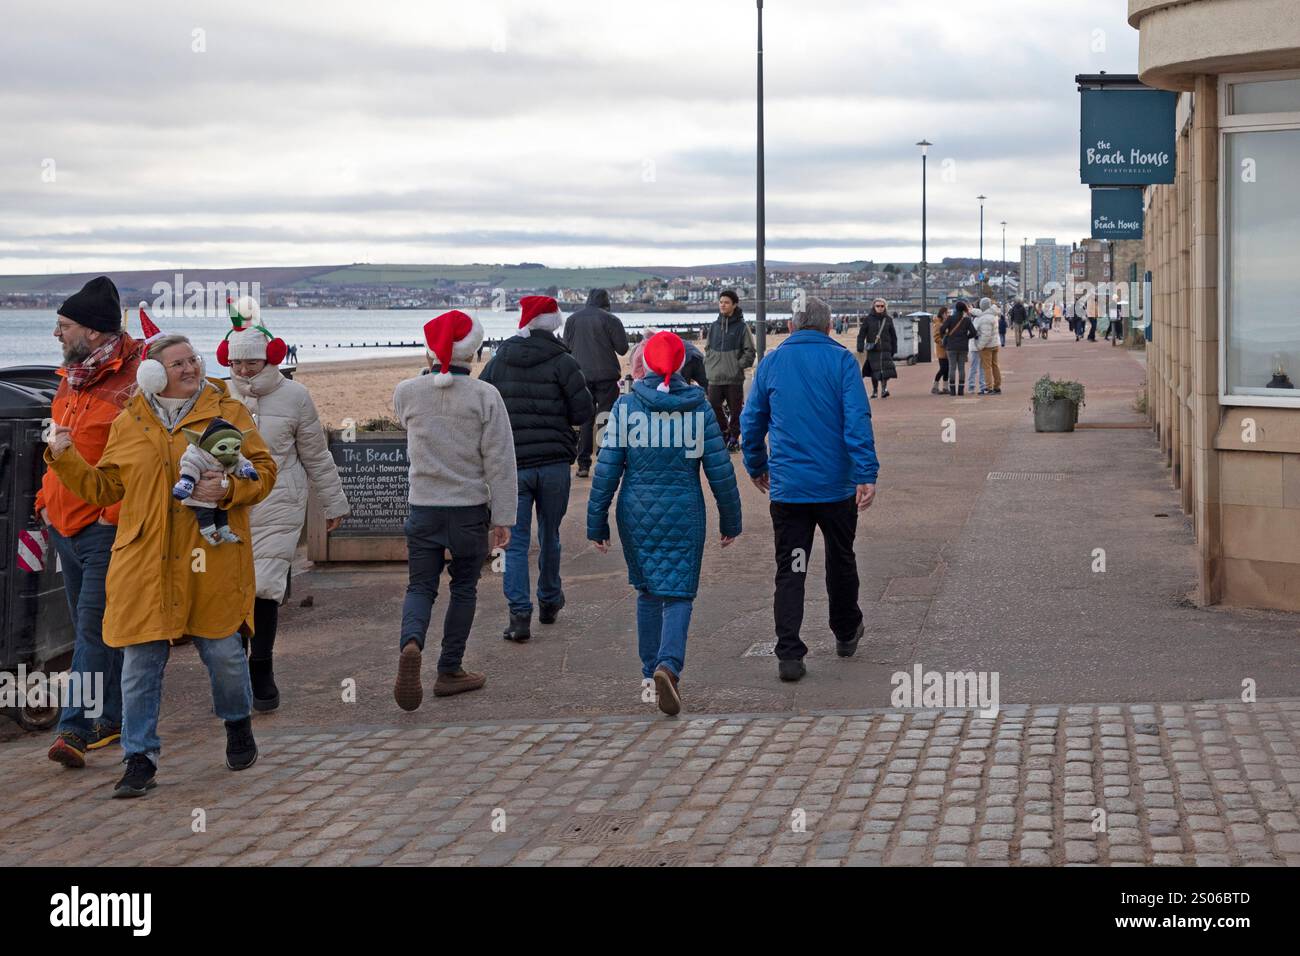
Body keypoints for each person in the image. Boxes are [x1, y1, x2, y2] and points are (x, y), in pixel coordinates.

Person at [45, 331, 277, 797]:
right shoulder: (130, 421)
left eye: (193, 359)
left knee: (226, 656)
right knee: (139, 663)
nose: (190, 368)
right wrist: (65, 458)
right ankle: (139, 759)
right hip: (145, 560)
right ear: (154, 373)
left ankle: (237, 723)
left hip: (210, 557)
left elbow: (264, 470)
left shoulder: (226, 411)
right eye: (178, 363)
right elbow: (106, 489)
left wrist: (229, 492)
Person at [587, 332, 741, 715]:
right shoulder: (699, 408)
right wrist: (731, 519)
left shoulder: (625, 408)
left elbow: (607, 470)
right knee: (679, 593)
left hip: (635, 511)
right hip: (684, 510)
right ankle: (668, 667)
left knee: (647, 591)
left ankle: (649, 672)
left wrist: (597, 523)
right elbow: (719, 470)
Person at [740, 296, 877, 682]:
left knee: (792, 567)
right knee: (840, 557)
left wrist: (756, 465)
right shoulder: (842, 361)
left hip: (791, 490)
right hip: (836, 488)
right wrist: (866, 472)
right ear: (830, 326)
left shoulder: (772, 363)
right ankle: (846, 630)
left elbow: (751, 421)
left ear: (790, 326)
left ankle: (789, 652)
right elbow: (857, 420)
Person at [223, 299, 350, 713]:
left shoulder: (296, 396)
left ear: (270, 358)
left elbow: (315, 454)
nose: (244, 370)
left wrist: (333, 503)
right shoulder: (216, 396)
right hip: (229, 503)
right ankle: (233, 672)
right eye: (238, 364)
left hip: (280, 500)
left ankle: (261, 669)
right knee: (229, 590)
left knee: (264, 588)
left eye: (252, 362)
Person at [40, 277, 142, 770]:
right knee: (108, 627)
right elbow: (58, 442)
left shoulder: (137, 381)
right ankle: (114, 716)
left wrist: (112, 513)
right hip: (63, 523)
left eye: (64, 325)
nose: (56, 333)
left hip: (105, 525)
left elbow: (145, 455)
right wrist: (43, 498)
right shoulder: (72, 377)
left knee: (90, 629)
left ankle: (73, 729)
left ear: (96, 332)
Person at [393, 311, 516, 709]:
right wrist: (504, 518)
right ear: (476, 352)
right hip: (468, 509)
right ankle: (449, 669)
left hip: (424, 506)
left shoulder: (407, 392)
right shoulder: (486, 396)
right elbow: (499, 461)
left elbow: (405, 423)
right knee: (464, 587)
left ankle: (411, 644)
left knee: (419, 587)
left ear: (428, 352)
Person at [480, 295, 594, 643]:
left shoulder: (500, 361)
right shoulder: (563, 360)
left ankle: (519, 616)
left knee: (513, 542)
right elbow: (583, 411)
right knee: (550, 535)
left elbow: (484, 403)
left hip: (513, 463)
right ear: (554, 322)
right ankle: (548, 600)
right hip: (554, 463)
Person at [563, 289, 628, 478]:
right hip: (607, 375)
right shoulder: (611, 320)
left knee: (585, 419)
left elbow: (566, 347)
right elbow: (623, 349)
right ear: (606, 302)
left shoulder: (572, 320)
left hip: (581, 374)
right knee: (605, 417)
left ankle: (583, 464)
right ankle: (603, 460)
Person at [704, 290, 755, 452]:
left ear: (734, 305)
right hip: (715, 377)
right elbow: (708, 349)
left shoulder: (742, 327)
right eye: (721, 302)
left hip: (734, 378)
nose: (722, 305)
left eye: (726, 302)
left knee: (736, 410)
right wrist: (709, 364)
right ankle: (724, 432)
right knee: (713, 406)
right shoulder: (713, 327)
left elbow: (750, 351)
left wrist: (738, 365)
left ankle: (734, 437)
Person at [856, 298, 898, 399]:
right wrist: (860, 346)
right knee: (874, 371)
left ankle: (884, 389)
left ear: (885, 307)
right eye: (877, 306)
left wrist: (894, 349)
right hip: (873, 349)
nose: (880, 308)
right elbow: (861, 334)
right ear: (874, 307)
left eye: (882, 306)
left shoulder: (888, 319)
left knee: (885, 370)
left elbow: (893, 336)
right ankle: (875, 390)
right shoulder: (868, 319)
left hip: (886, 349)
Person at [940, 300, 978, 396]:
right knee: (961, 368)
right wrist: (966, 337)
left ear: (956, 309)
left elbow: (942, 329)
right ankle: (961, 390)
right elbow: (974, 332)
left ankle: (952, 390)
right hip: (963, 347)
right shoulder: (967, 320)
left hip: (951, 346)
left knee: (952, 368)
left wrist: (946, 335)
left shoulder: (950, 318)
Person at [975, 297, 1003, 395]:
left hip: (987, 346)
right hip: (995, 343)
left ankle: (988, 387)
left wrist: (979, 346)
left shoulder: (984, 318)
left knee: (987, 367)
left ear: (982, 306)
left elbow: (986, 335)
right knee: (995, 365)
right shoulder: (994, 315)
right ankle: (997, 386)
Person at [930, 306, 950, 395]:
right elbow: (936, 337)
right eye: (947, 313)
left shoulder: (944, 322)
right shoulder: (938, 323)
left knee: (947, 369)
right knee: (943, 368)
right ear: (943, 314)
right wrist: (942, 342)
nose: (948, 315)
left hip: (947, 349)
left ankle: (945, 387)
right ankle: (935, 386)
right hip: (941, 349)